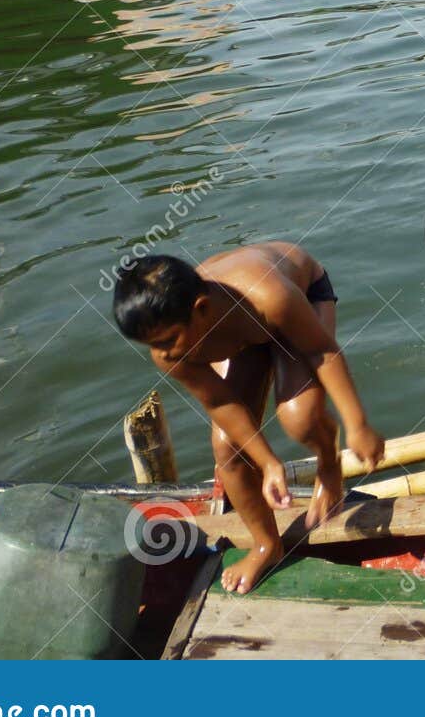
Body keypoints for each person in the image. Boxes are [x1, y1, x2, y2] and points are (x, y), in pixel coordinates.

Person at [112, 243, 385, 594]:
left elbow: (322, 351)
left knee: (298, 417)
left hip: (299, 299)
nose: (163, 354)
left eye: (168, 340)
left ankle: (329, 465)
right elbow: (221, 403)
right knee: (227, 452)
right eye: (151, 345)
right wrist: (269, 463)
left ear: (201, 309)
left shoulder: (268, 295)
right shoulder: (169, 352)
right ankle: (267, 545)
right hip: (244, 336)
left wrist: (357, 423)